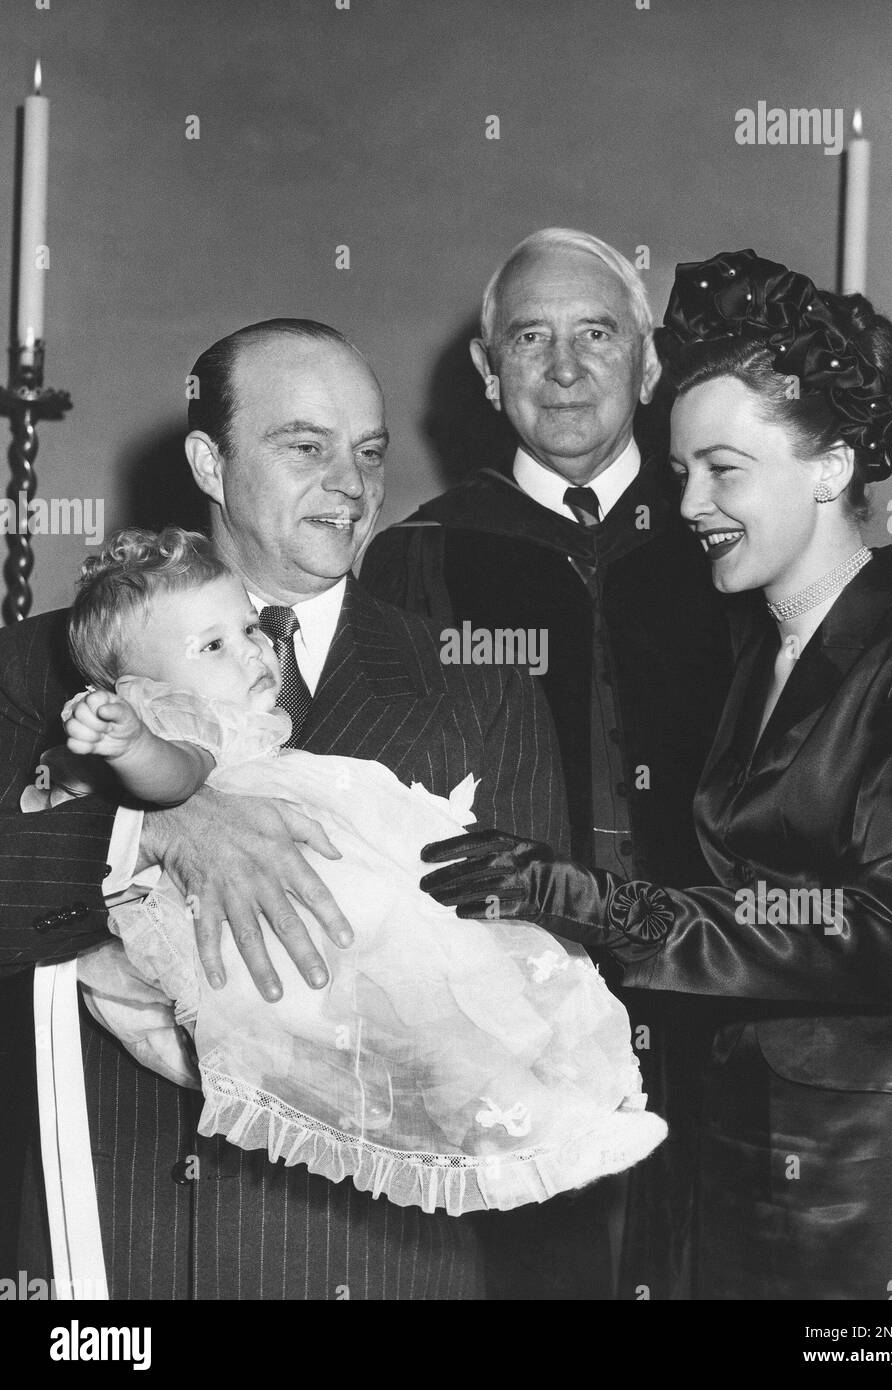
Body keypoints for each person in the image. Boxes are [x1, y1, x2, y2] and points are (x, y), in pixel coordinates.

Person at [420, 249, 892, 1299]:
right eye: (679, 471)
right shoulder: (747, 656)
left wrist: (586, 901)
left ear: (829, 469)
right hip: (729, 1153)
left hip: (881, 1165)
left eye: (724, 470)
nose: (687, 504)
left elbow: (876, 938)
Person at [0, 318, 568, 1300]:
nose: (350, 482)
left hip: (370, 1255)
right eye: (306, 447)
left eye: (369, 452)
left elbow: (536, 990)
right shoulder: (39, 665)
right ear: (208, 462)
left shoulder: (479, 688)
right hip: (114, 1239)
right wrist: (162, 821)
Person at [43, 525, 663, 1215]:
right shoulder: (169, 723)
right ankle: (523, 1126)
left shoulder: (260, 723)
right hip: (251, 942)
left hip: (299, 931)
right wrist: (129, 744)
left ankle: (525, 1127)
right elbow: (174, 773)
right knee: (410, 958)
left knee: (434, 987)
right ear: (132, 687)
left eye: (249, 629)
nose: (253, 650)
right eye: (212, 646)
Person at [361, 228, 735, 1297]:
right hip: (516, 1019)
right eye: (530, 338)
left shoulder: (729, 536)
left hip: (727, 994)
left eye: (595, 333)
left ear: (649, 361)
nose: (564, 367)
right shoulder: (420, 553)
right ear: (488, 373)